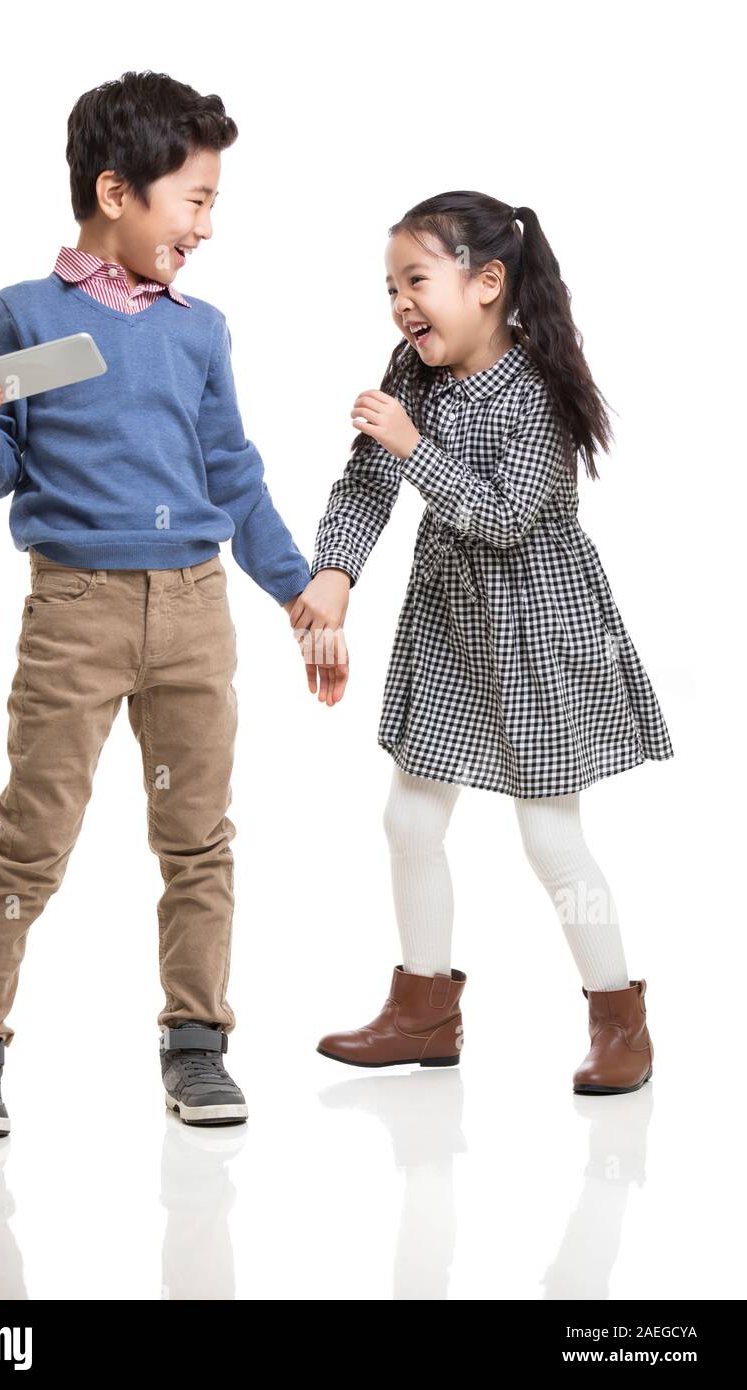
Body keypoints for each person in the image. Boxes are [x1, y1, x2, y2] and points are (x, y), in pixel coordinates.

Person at [0, 69, 311, 1136]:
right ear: (114, 194)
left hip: (193, 608)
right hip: (77, 609)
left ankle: (196, 1042)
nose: (206, 224)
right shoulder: (25, 315)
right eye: (193, 200)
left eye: (211, 202)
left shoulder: (200, 330)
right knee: (34, 834)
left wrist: (296, 586)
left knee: (198, 838)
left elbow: (230, 469)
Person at [290, 193, 673, 1095]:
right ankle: (424, 1010)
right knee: (410, 817)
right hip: (452, 626)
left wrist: (414, 444)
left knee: (550, 838)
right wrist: (335, 574)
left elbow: (505, 520)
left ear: (489, 283)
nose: (399, 304)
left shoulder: (536, 391)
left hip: (539, 631)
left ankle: (619, 1020)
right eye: (390, 287)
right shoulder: (412, 371)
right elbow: (365, 485)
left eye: (416, 281)